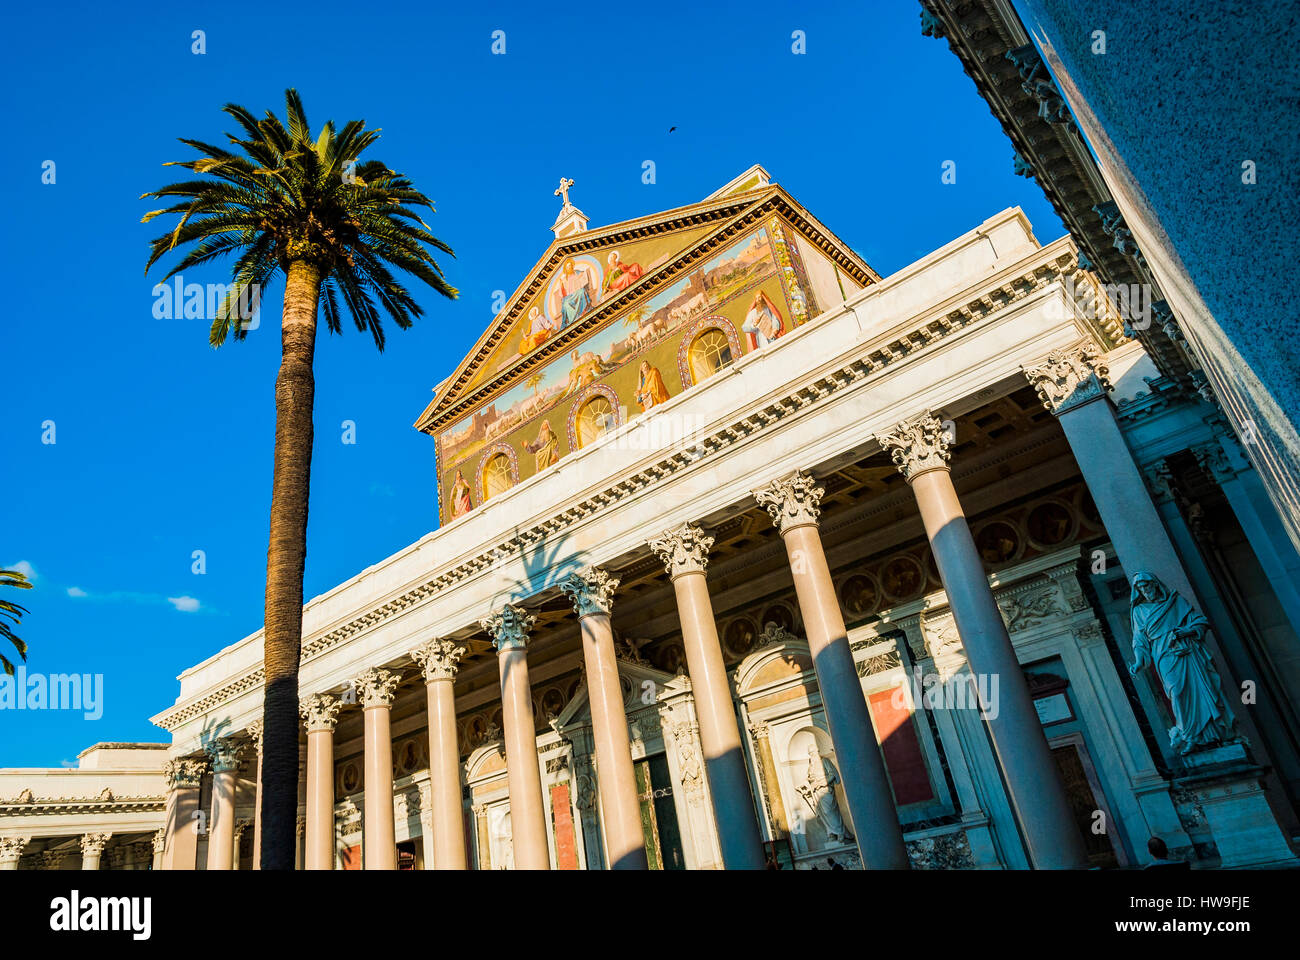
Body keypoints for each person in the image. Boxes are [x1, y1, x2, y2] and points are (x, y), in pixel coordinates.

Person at [1129, 570, 1236, 754]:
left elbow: (1201, 622)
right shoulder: (1139, 611)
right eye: (1140, 588)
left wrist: (1185, 632)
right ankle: (1190, 736)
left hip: (1188, 652)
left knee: (1204, 690)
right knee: (1177, 693)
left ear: (1155, 584)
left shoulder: (1175, 602)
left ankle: (1219, 733)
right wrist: (1139, 661)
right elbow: (1139, 640)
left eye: (1146, 586)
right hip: (1164, 655)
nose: (1144, 591)